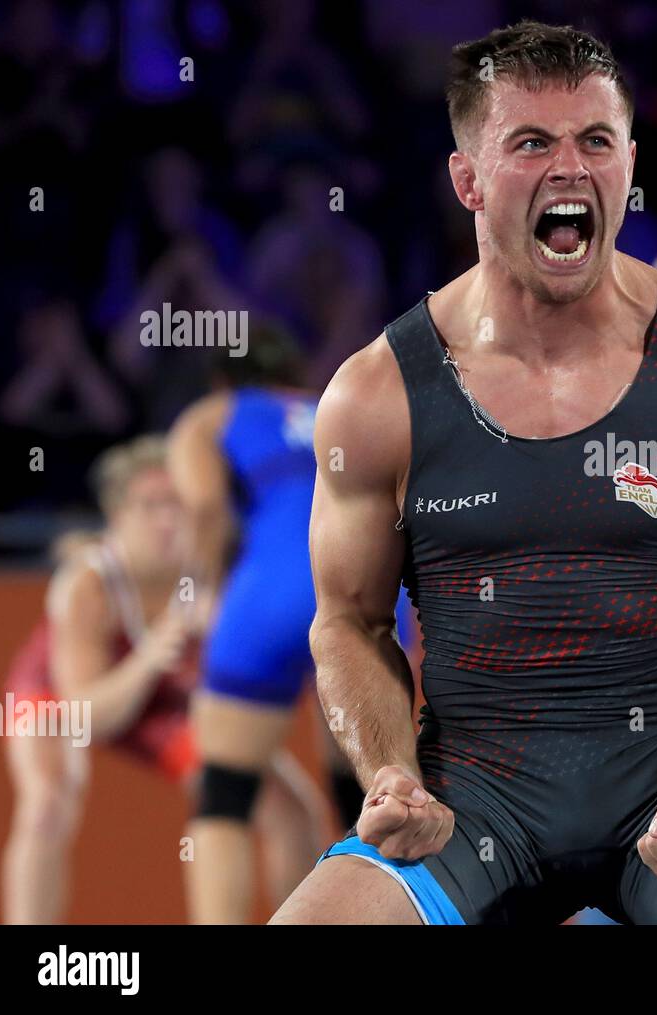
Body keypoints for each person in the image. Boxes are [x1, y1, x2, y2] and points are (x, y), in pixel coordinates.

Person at [272, 20, 657, 926]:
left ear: (629, 164)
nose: (569, 167)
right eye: (532, 143)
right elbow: (349, 624)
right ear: (469, 181)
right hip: (469, 803)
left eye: (595, 141)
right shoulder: (377, 395)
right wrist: (390, 776)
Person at [0, 436, 322, 923]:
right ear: (116, 516)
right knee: (47, 802)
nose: (168, 520)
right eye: (150, 506)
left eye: (177, 504)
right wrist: (151, 656)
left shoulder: (210, 568)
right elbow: (90, 717)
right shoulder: (87, 584)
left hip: (163, 700)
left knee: (289, 809)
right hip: (63, 699)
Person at [168, 326, 412, 923]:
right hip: (368, 589)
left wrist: (198, 596)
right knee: (370, 798)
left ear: (224, 378)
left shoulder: (213, 414)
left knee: (225, 792)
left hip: (269, 592)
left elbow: (202, 507)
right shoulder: (336, 402)